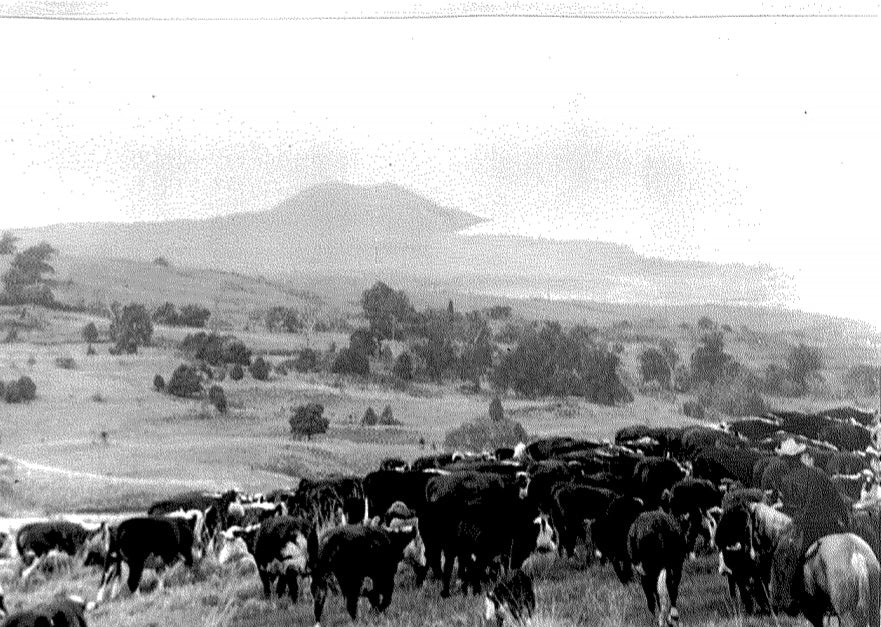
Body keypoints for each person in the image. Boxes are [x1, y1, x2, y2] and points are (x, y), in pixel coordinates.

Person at [770, 438, 851, 615]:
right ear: (800, 456)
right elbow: (836, 499)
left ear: (787, 460)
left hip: (808, 530)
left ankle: (787, 599)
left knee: (783, 555)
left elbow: (792, 510)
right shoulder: (819, 473)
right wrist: (845, 520)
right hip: (831, 526)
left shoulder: (787, 480)